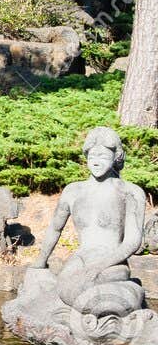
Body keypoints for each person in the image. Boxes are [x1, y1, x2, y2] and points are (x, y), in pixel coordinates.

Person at [34, 127, 148, 317]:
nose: (96, 162)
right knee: (67, 286)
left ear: (117, 157)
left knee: (105, 288)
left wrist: (99, 266)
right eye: (92, 156)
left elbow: (132, 242)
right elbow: (55, 228)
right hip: (80, 258)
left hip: (112, 261)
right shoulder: (73, 191)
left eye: (103, 156)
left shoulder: (130, 192)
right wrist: (39, 262)